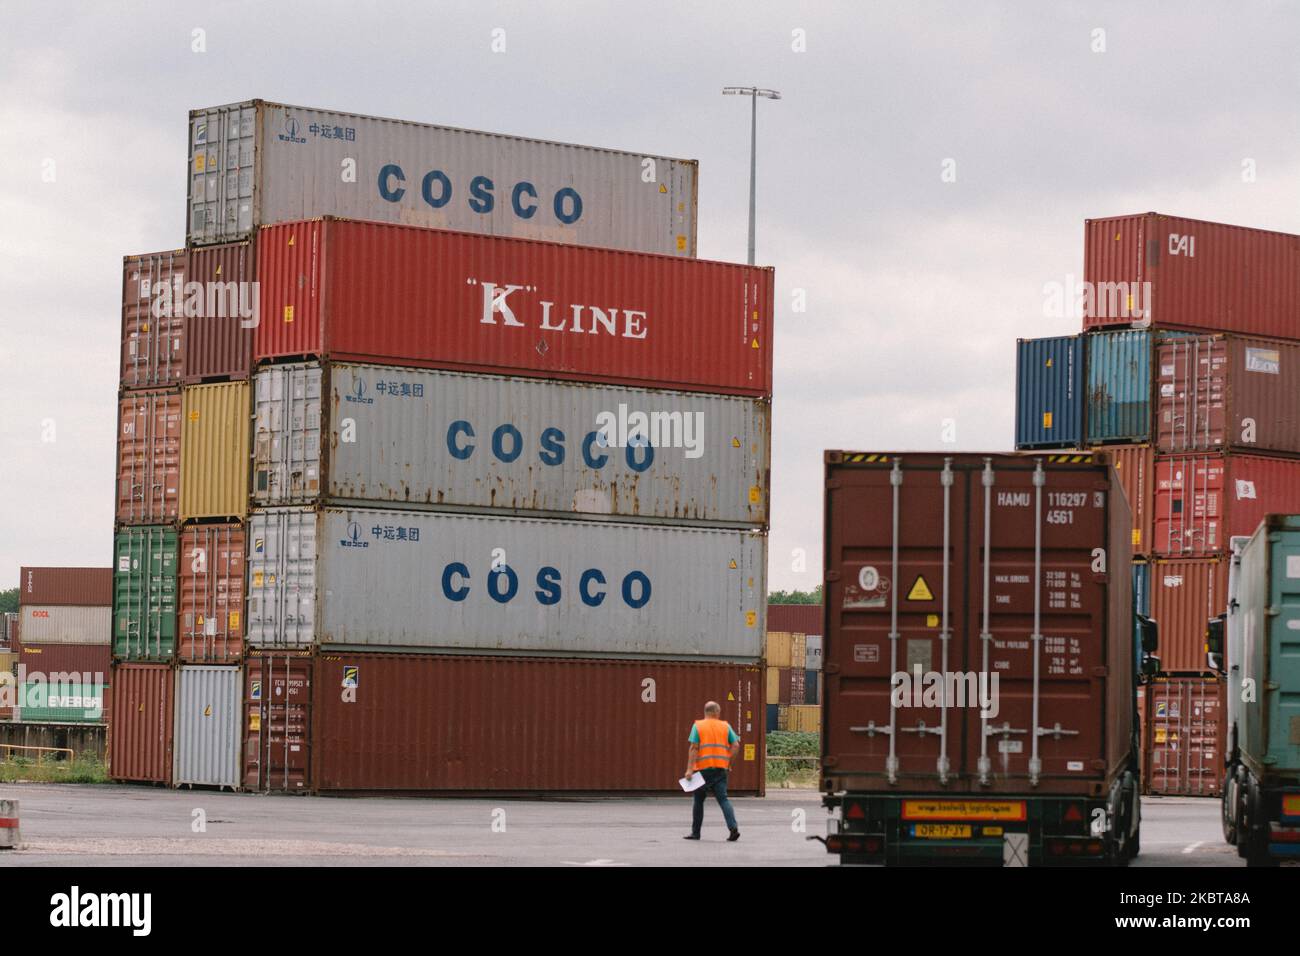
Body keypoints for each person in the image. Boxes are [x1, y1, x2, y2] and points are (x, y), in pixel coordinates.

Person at [683, 700, 741, 841]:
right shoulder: (725, 726)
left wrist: (689, 770)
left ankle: (695, 833)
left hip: (702, 771)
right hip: (720, 770)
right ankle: (733, 828)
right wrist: (729, 764)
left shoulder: (698, 726)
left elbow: (693, 748)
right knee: (723, 800)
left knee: (698, 801)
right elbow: (736, 745)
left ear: (705, 712)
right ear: (716, 712)